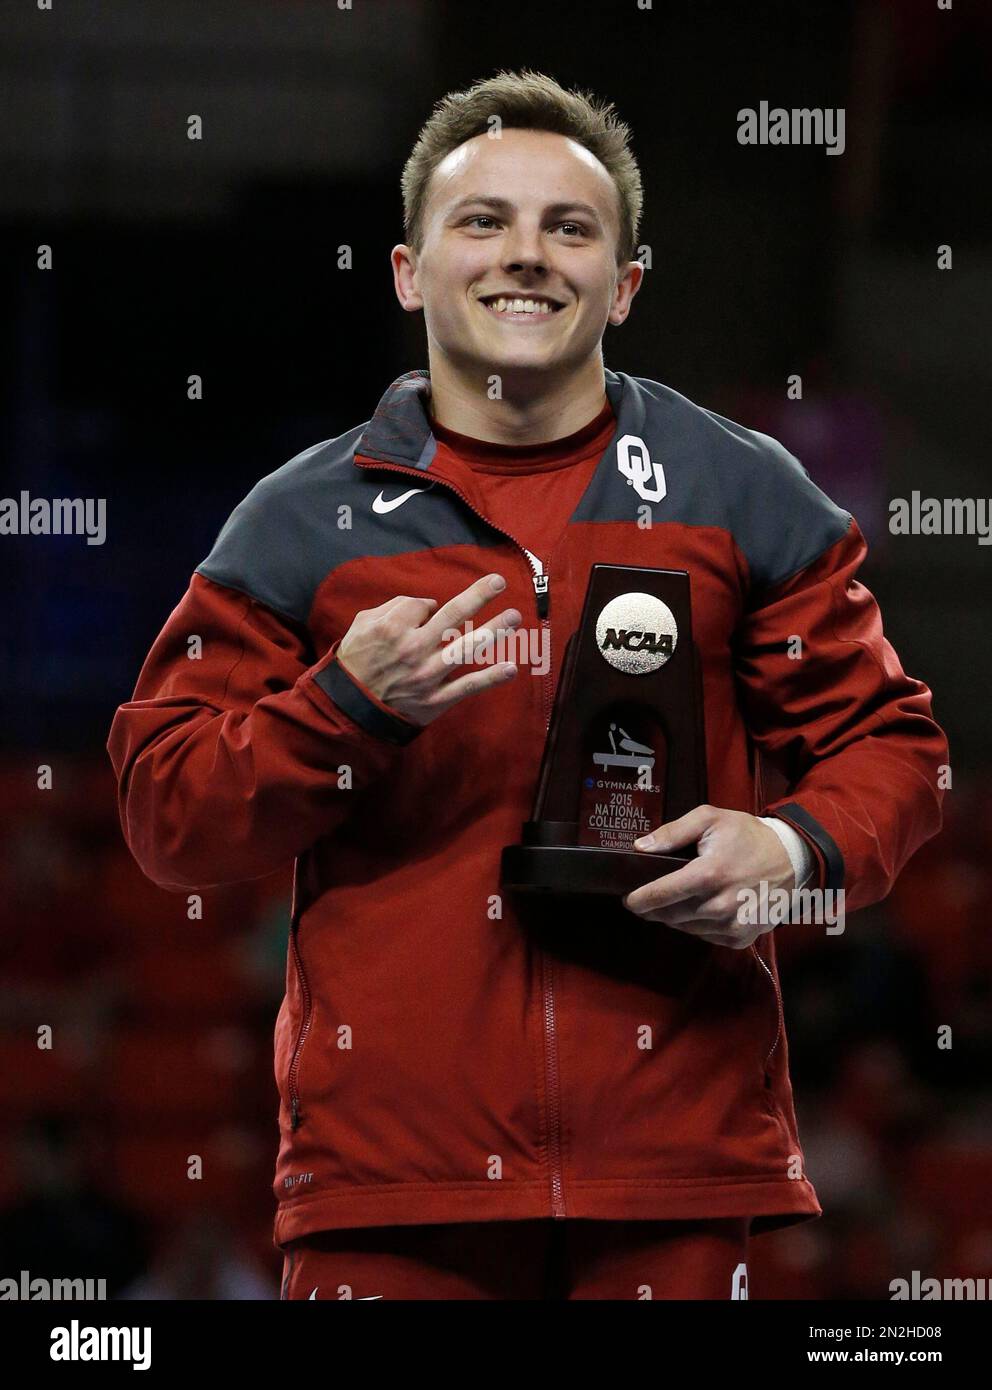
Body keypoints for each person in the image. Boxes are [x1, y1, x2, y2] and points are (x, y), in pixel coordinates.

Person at [107, 69, 948, 1300]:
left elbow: (894, 745)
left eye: (569, 228)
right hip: (391, 1184)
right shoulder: (300, 522)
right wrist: (341, 706)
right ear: (407, 271)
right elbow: (164, 809)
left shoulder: (739, 493)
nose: (527, 256)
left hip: (671, 1170)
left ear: (626, 282)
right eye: (482, 220)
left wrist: (791, 850)